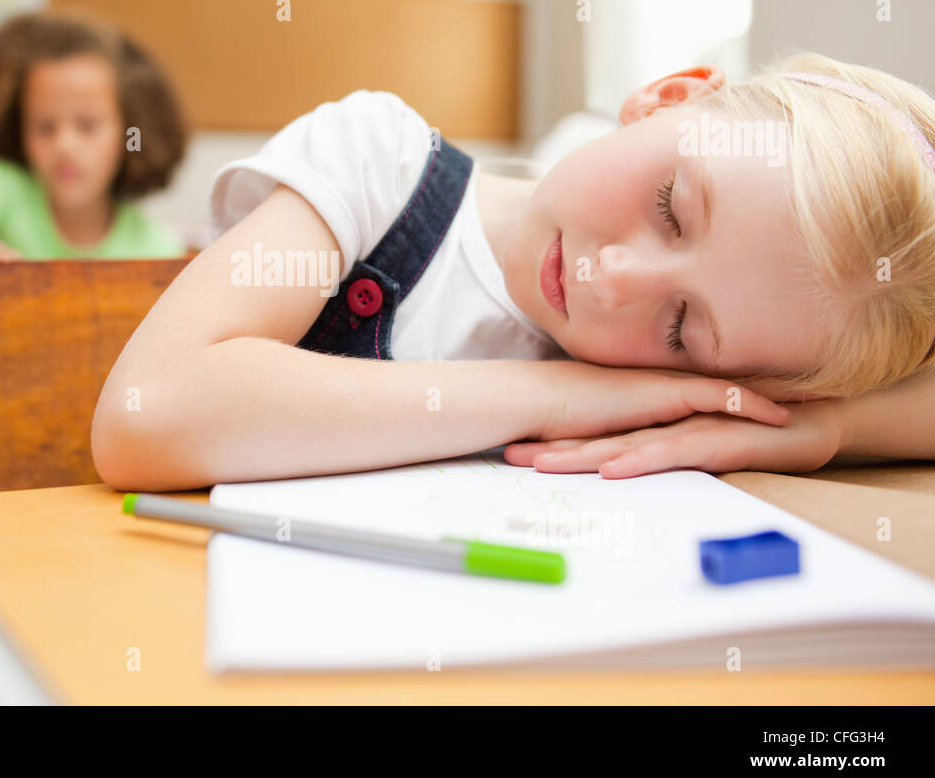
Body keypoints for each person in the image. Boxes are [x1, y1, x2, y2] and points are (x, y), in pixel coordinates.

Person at [92, 53, 935, 490]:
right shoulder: (380, 165)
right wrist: (561, 395)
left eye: (683, 328)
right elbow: (145, 417)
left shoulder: (736, 361)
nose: (612, 280)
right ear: (669, 96)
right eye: (672, 206)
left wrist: (827, 430)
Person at [0, 11, 187, 260]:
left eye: (87, 125)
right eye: (44, 126)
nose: (65, 145)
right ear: (18, 127)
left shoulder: (156, 247)